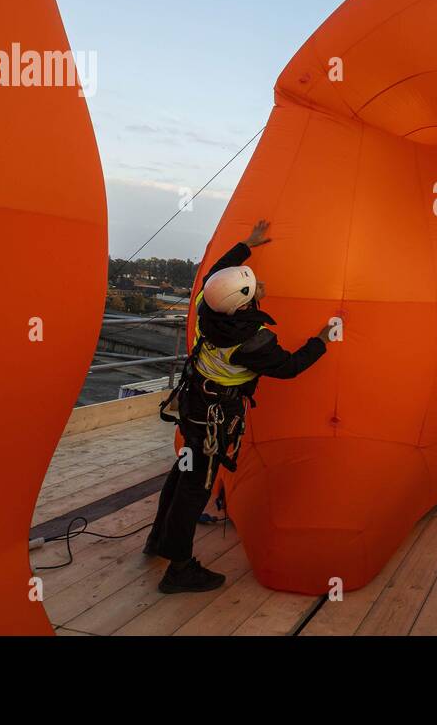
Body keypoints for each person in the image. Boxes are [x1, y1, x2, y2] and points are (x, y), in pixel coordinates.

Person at [144, 219, 332, 594]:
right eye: (252, 287)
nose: (260, 284)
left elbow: (215, 275)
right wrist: (322, 340)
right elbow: (289, 367)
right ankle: (178, 568)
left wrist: (247, 244)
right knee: (196, 486)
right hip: (215, 417)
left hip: (195, 404)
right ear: (244, 305)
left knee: (182, 472)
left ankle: (160, 541)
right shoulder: (250, 341)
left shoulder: (208, 305)